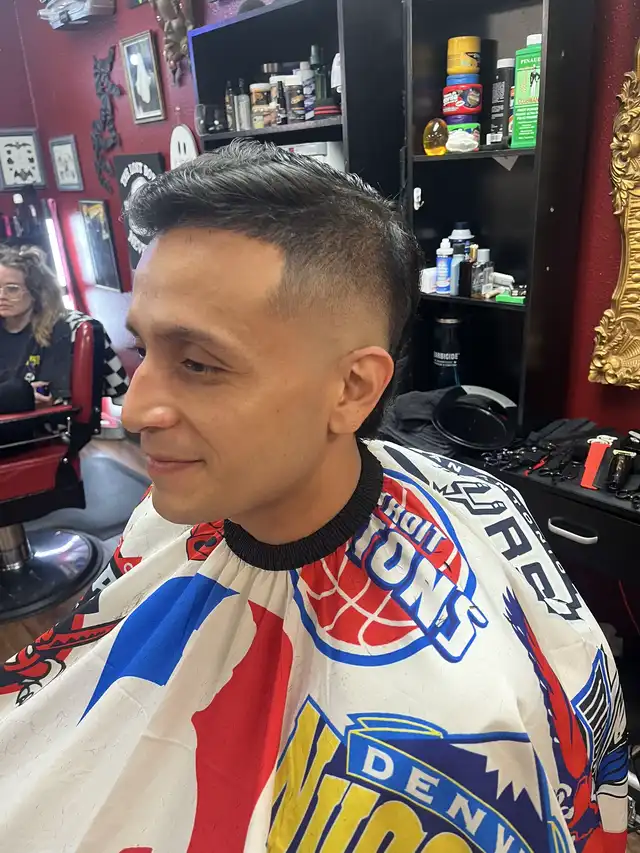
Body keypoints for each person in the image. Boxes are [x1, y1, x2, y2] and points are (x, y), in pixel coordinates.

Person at [0, 143, 627, 853]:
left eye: (198, 363)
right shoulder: (177, 511)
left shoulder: (455, 721)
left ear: (352, 388)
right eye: (144, 351)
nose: (138, 410)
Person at [0, 244, 72, 413]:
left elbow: (43, 395)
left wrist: (16, 392)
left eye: (12, 289)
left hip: (27, 423)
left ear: (35, 292)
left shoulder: (56, 330)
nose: (1, 296)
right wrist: (16, 393)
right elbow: (22, 393)